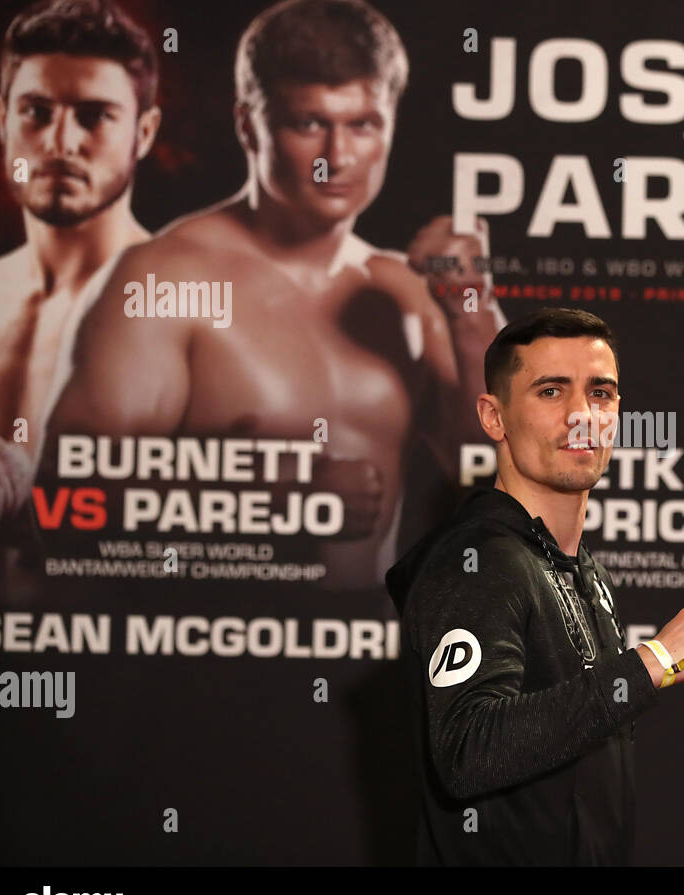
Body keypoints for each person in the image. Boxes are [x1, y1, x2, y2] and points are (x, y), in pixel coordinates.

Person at [44, 0, 503, 590]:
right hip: (210, 663)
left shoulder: (405, 293)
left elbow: (500, 485)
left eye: (362, 125)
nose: (337, 158)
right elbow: (65, 501)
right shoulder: (168, 279)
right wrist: (279, 496)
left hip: (361, 664)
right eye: (308, 124)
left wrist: (471, 310)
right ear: (247, 125)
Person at [386, 307, 684, 865]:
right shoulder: (479, 560)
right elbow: (469, 749)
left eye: (601, 393)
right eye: (550, 392)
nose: (581, 416)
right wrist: (654, 661)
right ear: (493, 418)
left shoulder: (577, 567)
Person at [0, 0, 160, 601]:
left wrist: (42, 514)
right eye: (36, 111)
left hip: (123, 676)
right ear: (3, 118)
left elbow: (246, 541)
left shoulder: (186, 314)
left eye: (94, 115)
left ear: (145, 131)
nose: (60, 142)